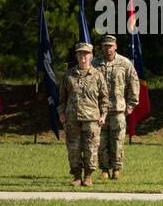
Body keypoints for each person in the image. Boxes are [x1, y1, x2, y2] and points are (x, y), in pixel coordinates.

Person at [59, 42, 107, 187]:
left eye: (86, 54)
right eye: (80, 53)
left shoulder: (98, 76)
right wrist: (61, 113)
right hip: (72, 118)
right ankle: (76, 176)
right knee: (73, 148)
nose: (83, 56)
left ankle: (88, 176)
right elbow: (62, 98)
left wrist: (103, 115)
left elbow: (104, 98)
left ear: (91, 56)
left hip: (92, 119)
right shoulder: (68, 75)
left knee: (91, 148)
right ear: (76, 56)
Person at [94, 34, 139, 181]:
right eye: (105, 46)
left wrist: (132, 104)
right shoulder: (95, 63)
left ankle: (117, 168)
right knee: (101, 141)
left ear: (116, 46)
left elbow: (134, 83)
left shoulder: (124, 63)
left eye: (110, 46)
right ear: (102, 47)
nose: (108, 49)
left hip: (118, 109)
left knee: (117, 140)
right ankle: (105, 169)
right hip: (100, 110)